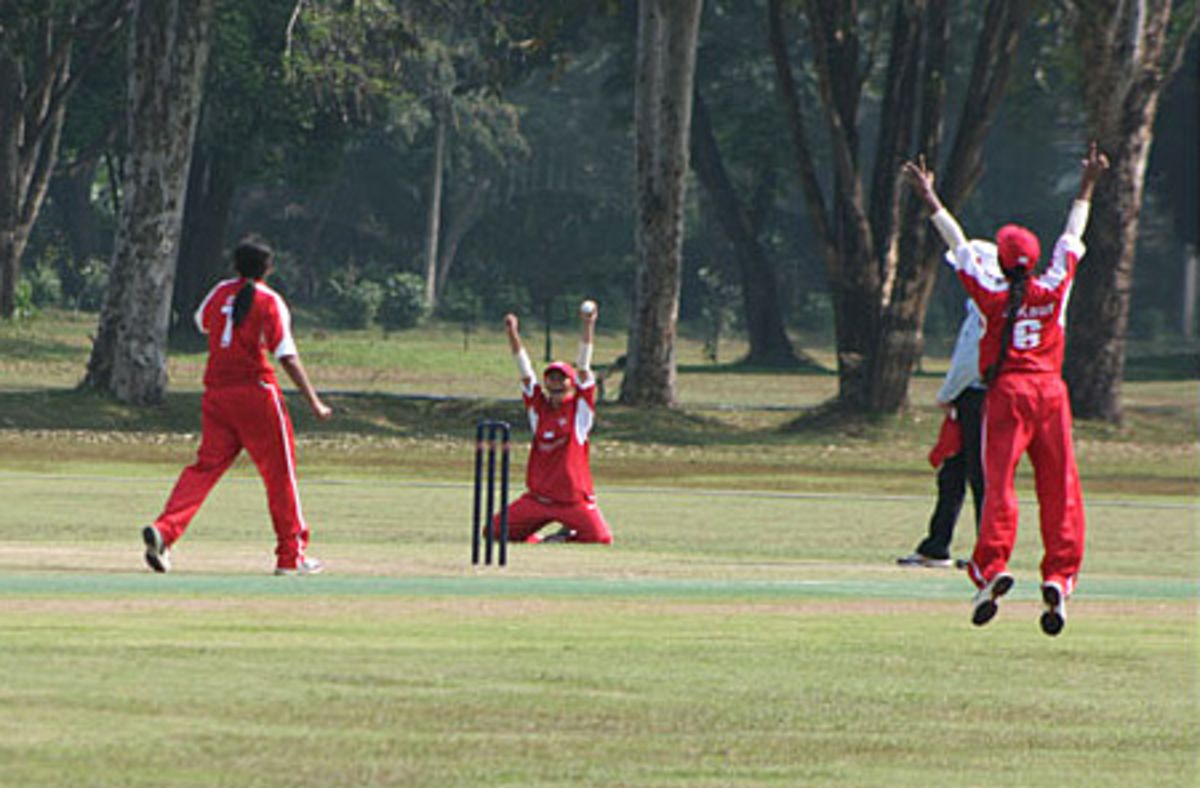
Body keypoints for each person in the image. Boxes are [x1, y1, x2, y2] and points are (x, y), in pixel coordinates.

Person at [902, 142, 1109, 635]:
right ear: (1032, 259)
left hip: (1008, 395)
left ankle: (992, 568)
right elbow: (1072, 234)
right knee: (1060, 488)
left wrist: (929, 197)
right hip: (1052, 395)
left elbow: (954, 243)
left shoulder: (992, 295)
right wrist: (1088, 184)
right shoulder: (1055, 283)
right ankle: (1059, 575)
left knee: (999, 487)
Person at [141, 237, 333, 575]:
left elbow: (202, 322)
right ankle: (291, 557)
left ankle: (165, 530)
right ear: (268, 269)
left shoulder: (219, 292)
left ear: (235, 266)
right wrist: (313, 400)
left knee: (204, 469)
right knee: (279, 476)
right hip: (257, 394)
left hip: (217, 395)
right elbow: (285, 354)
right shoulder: (270, 301)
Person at [495, 302, 613, 545]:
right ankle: (540, 540)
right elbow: (526, 373)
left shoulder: (580, 413)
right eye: (552, 380)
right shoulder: (539, 411)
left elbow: (583, 368)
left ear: (571, 385)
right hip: (538, 500)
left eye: (562, 380)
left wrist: (588, 324)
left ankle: (565, 536)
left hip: (574, 501)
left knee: (600, 538)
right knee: (494, 533)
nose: (556, 385)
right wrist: (512, 334)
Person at [897, 285, 990, 569]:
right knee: (953, 473)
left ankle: (988, 552)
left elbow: (970, 361)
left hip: (981, 397)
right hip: (970, 396)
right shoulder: (976, 306)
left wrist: (947, 394)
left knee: (982, 476)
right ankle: (937, 545)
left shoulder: (988, 309)